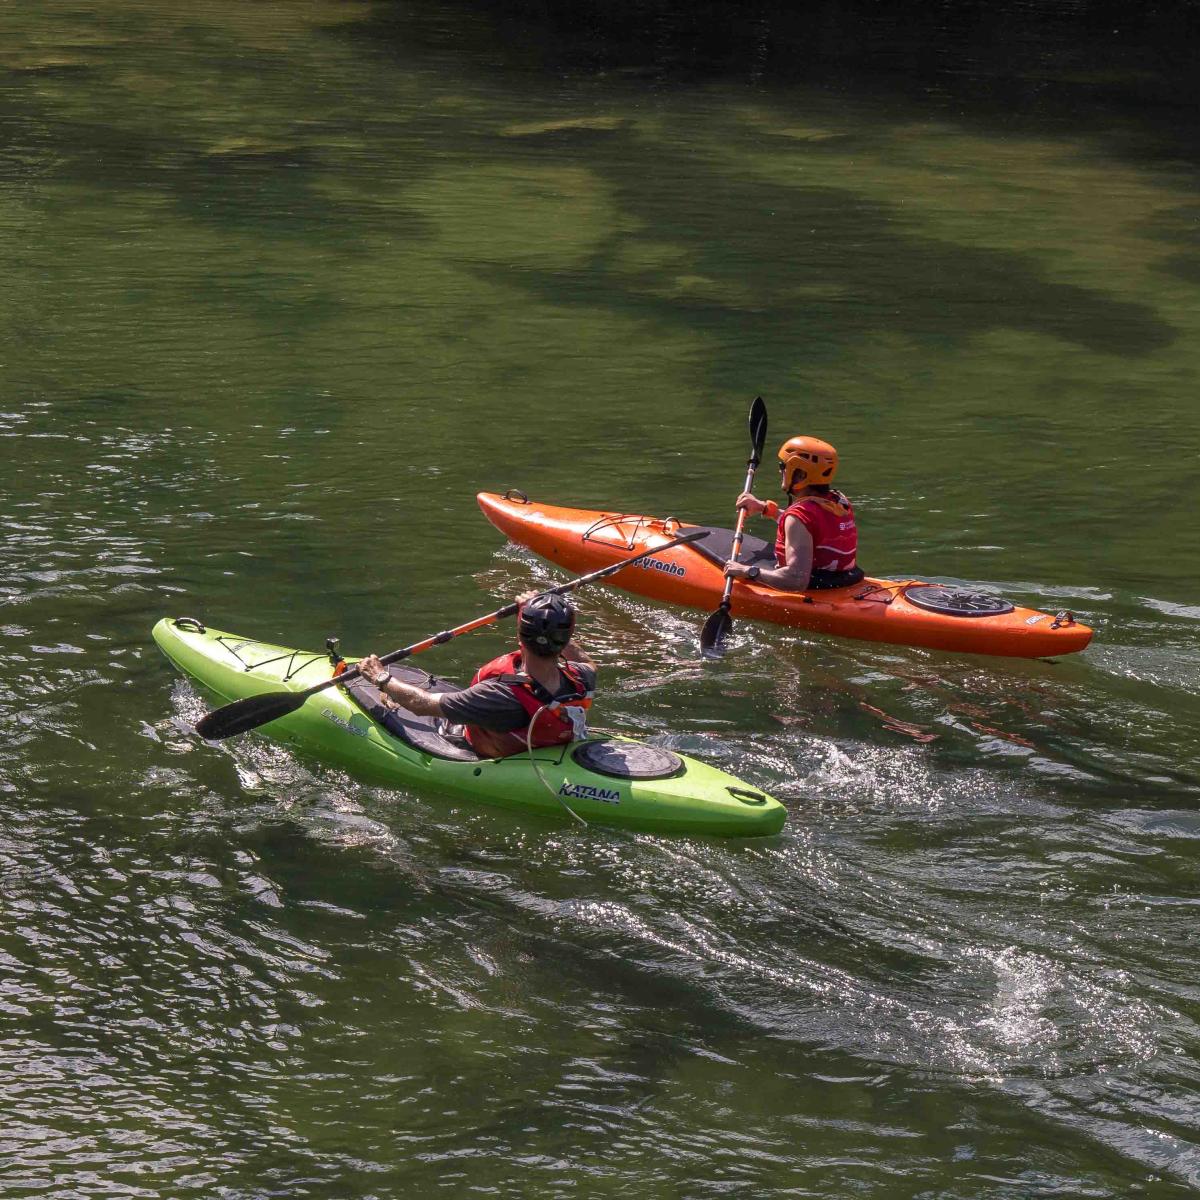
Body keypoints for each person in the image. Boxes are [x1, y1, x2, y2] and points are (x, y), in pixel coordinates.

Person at [356, 592, 597, 759]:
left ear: (520, 636)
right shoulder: (582, 679)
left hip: (488, 751)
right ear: (565, 639)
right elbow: (585, 661)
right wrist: (551, 624)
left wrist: (379, 677)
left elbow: (420, 705)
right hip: (547, 745)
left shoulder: (497, 695)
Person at [723, 435, 864, 591]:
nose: (780, 470)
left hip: (817, 589)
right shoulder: (838, 502)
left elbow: (796, 580)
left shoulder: (798, 517)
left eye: (783, 466)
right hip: (846, 580)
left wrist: (747, 571)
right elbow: (811, 528)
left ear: (801, 475)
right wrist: (765, 508)